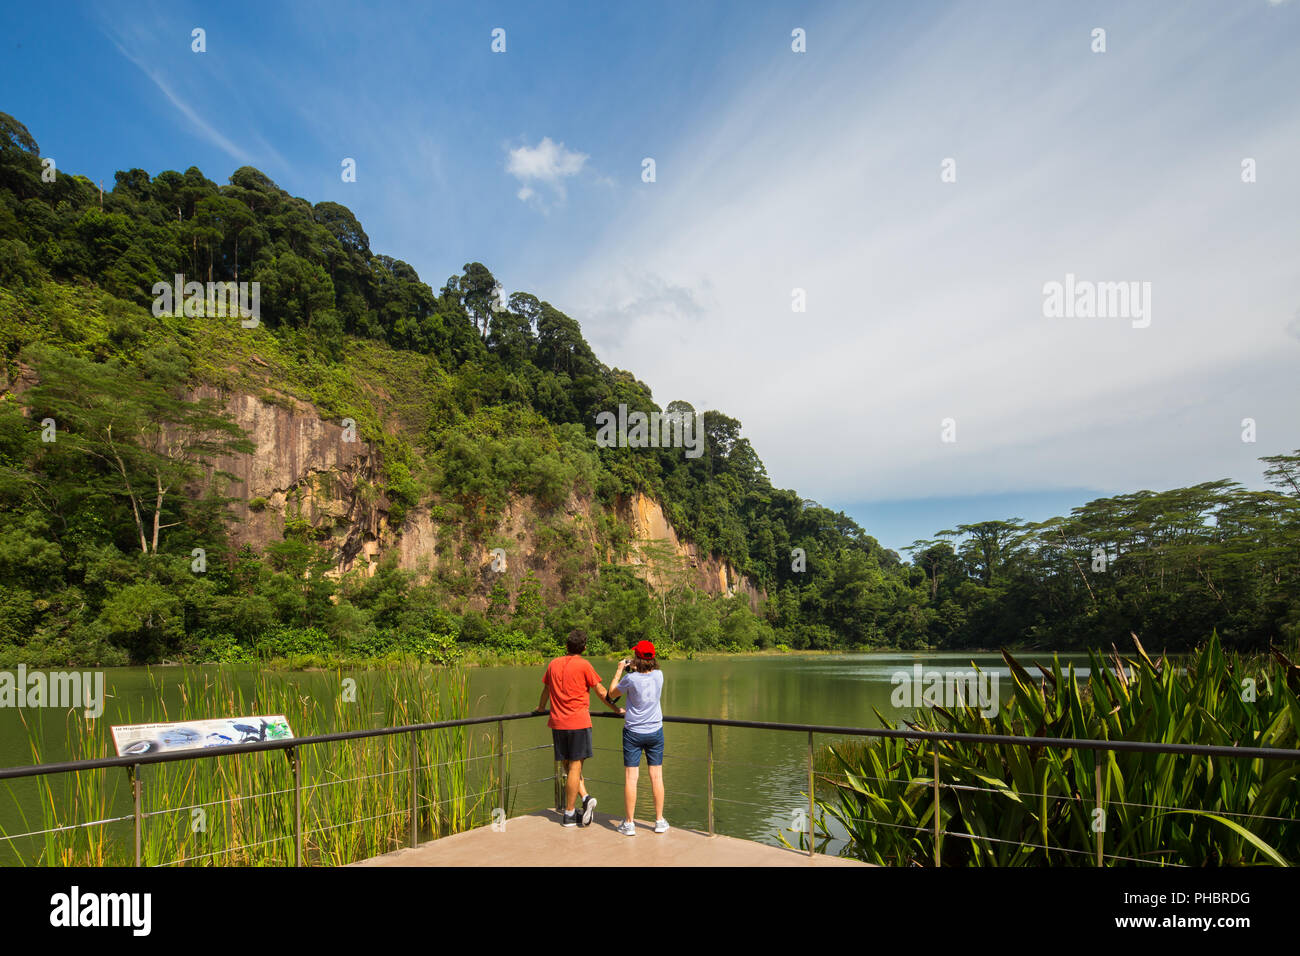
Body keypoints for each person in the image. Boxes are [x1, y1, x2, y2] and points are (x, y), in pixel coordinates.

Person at [536, 628, 623, 827]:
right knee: (574, 766)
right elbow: (601, 691)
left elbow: (546, 690)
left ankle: (585, 798)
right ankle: (568, 814)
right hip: (578, 722)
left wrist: (541, 707)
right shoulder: (584, 665)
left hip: (557, 723)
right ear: (584, 648)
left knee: (567, 765)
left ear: (566, 646)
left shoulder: (553, 664)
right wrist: (616, 708)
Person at [609, 640, 668, 835]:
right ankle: (659, 821)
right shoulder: (659, 675)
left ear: (636, 657)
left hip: (633, 732)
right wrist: (635, 666)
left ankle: (629, 823)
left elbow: (612, 693)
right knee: (656, 776)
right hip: (655, 731)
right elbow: (647, 674)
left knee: (631, 778)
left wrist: (620, 670)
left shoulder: (630, 679)